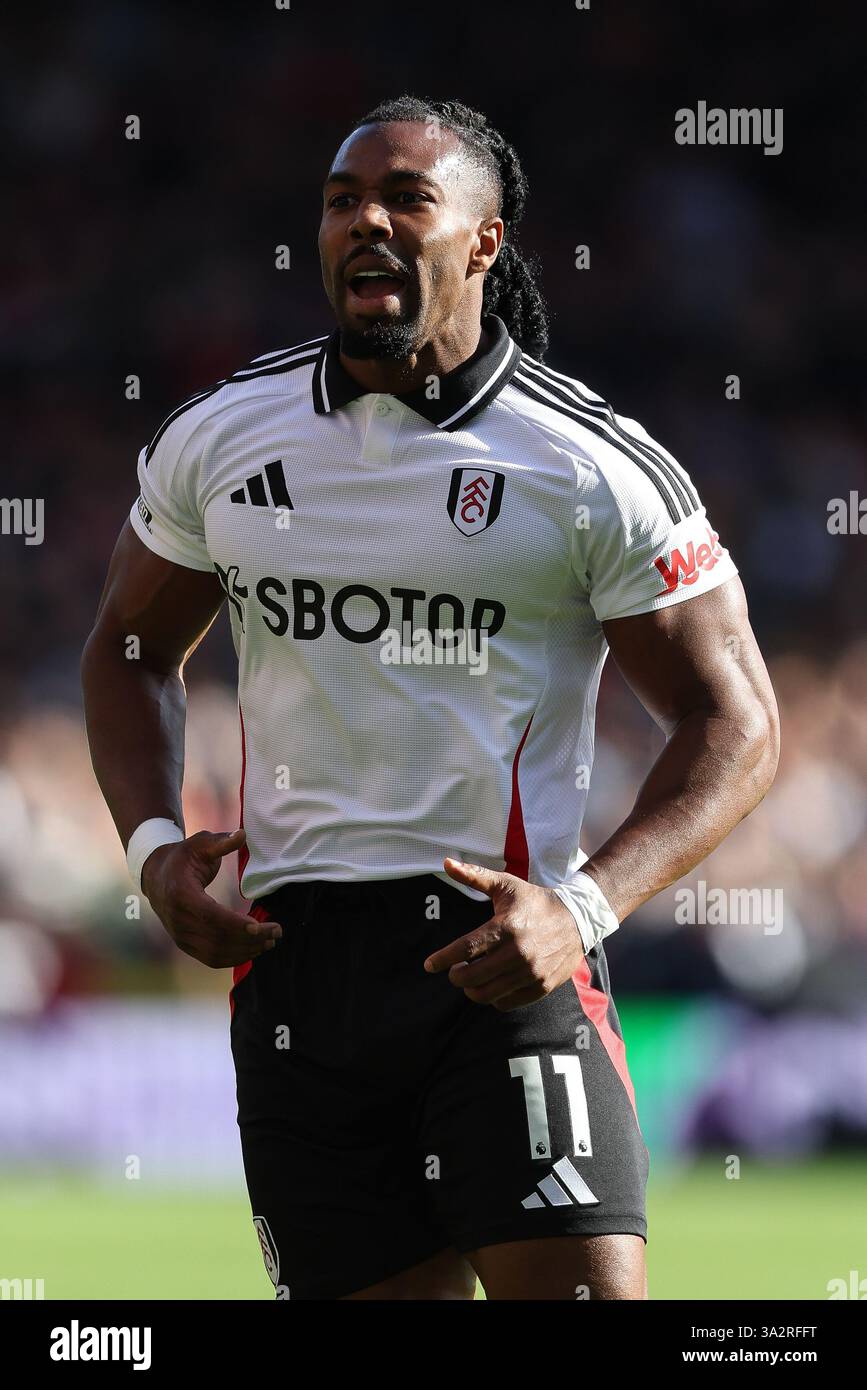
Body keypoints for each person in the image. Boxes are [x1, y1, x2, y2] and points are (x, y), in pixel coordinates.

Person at [81, 96, 780, 1300]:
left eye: (409, 199)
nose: (368, 223)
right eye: (345, 199)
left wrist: (585, 909)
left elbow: (739, 723)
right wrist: (151, 850)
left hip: (503, 958)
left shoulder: (589, 465)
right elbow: (130, 651)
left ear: (483, 243)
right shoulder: (221, 436)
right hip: (296, 973)